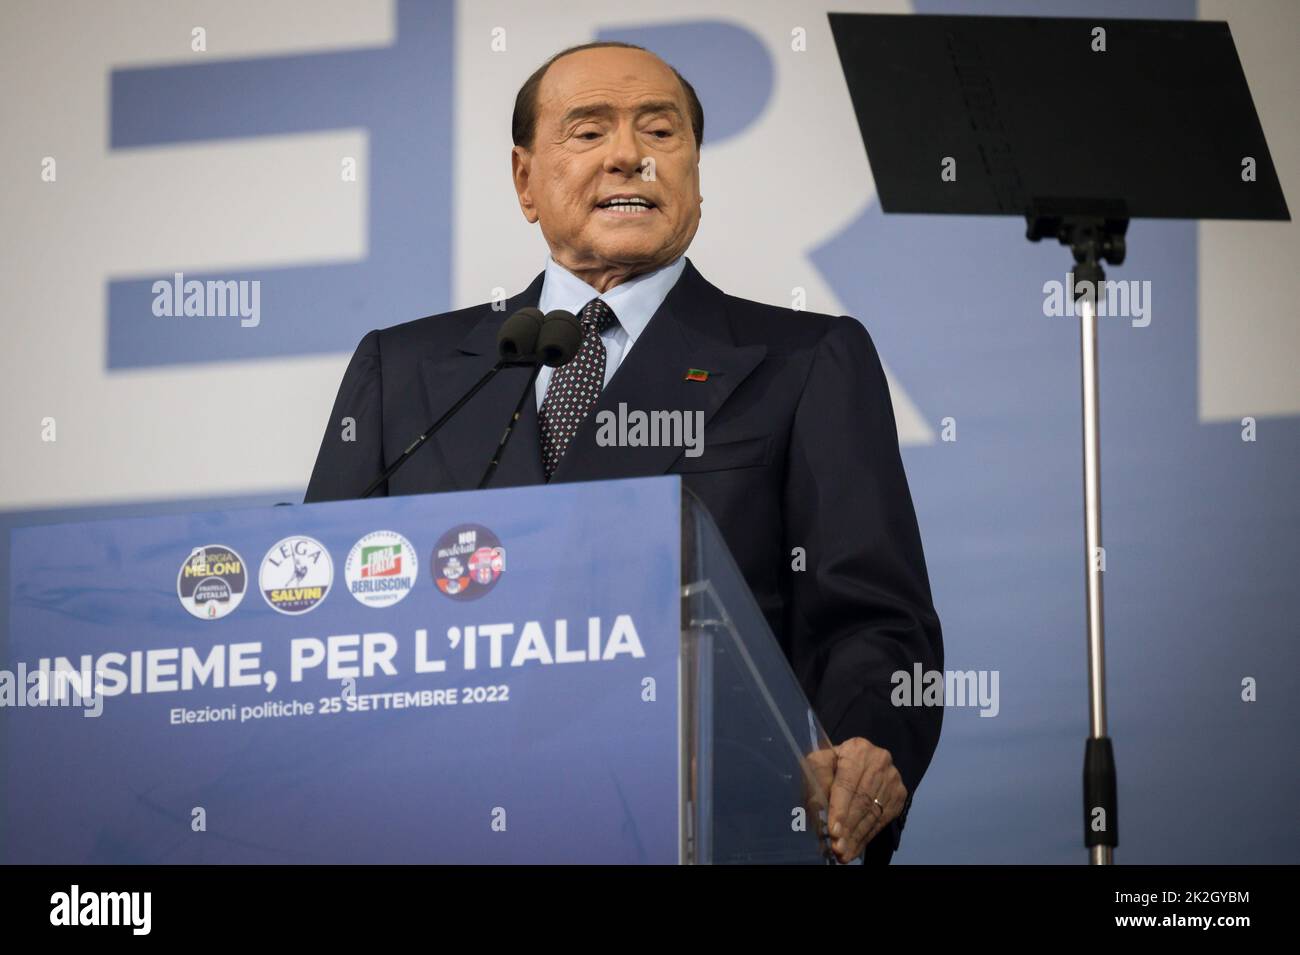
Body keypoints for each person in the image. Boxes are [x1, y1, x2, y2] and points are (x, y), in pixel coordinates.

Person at [306, 41, 943, 864]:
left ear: (696, 177)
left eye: (660, 131)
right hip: (438, 827)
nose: (628, 154)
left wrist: (858, 747)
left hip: (707, 825)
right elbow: (320, 615)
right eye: (587, 131)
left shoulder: (803, 360)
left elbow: (874, 619)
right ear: (524, 179)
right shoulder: (406, 373)